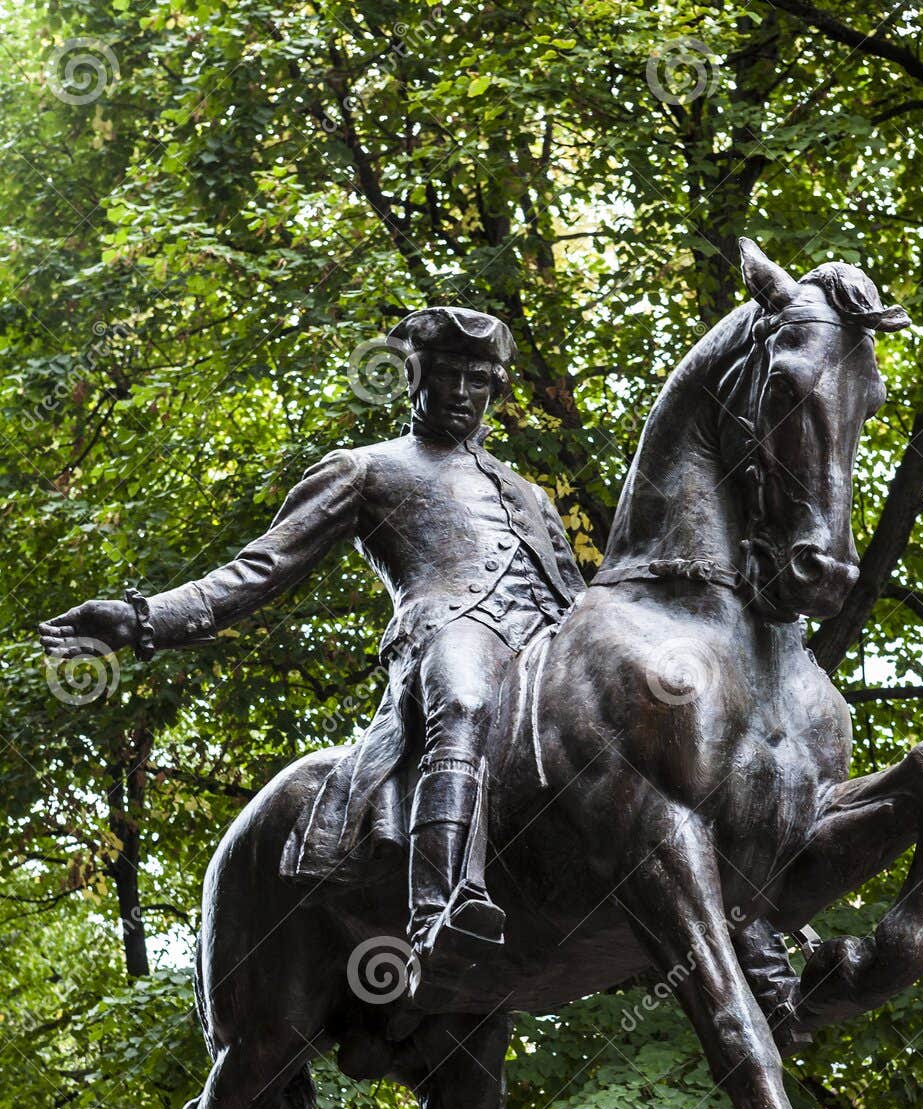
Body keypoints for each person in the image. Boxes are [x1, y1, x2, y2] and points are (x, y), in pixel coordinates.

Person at [39, 307, 585, 993]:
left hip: (546, 641)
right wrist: (140, 618)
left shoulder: (529, 494)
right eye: (445, 375)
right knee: (466, 699)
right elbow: (256, 571)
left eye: (478, 380)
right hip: (452, 629)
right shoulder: (364, 470)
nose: (460, 393)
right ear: (412, 376)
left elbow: (573, 590)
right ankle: (440, 909)